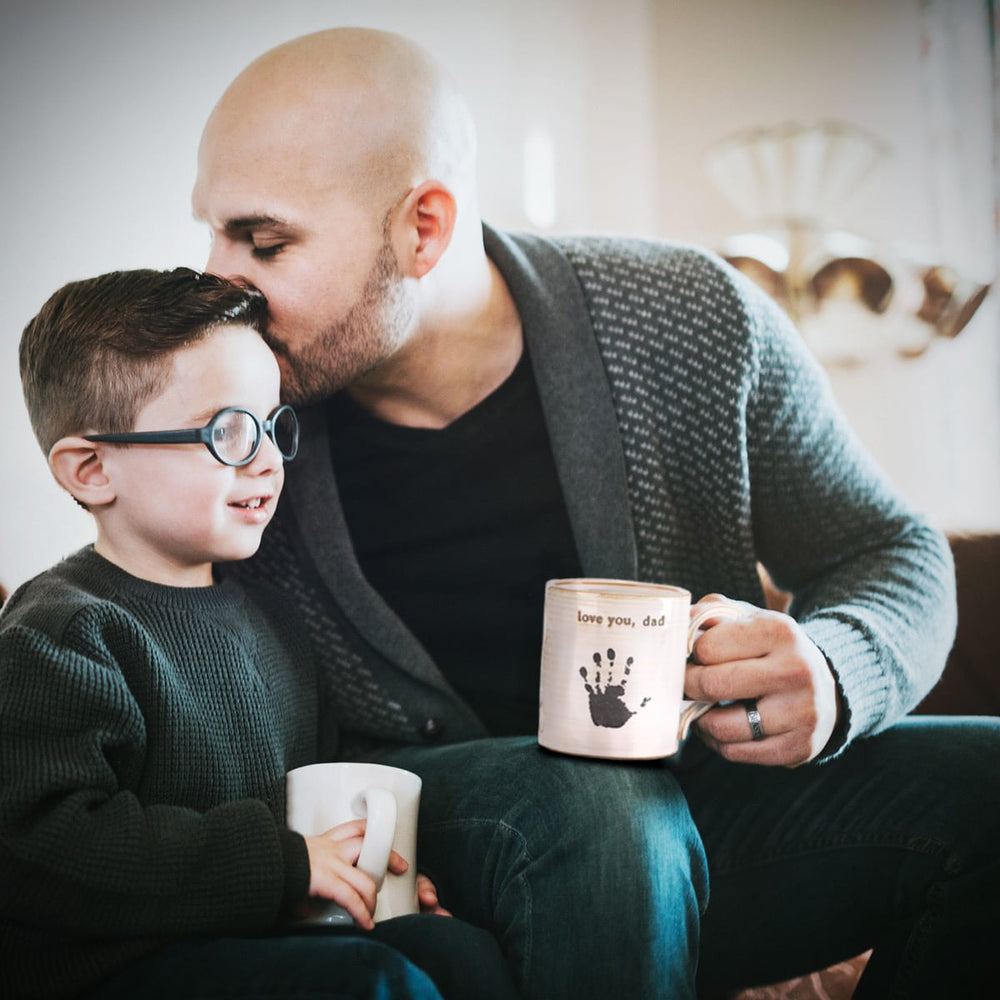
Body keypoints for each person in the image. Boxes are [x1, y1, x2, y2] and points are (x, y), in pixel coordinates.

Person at [191, 27, 1000, 1000]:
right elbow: (176, 667)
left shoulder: (689, 315)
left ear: (423, 226)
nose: (215, 278)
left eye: (261, 240)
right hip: (423, 846)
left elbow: (889, 548)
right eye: (212, 231)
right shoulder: (232, 409)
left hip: (690, 820)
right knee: (599, 799)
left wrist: (836, 667)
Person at [1, 267, 519, 1000]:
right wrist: (281, 866)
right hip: (119, 964)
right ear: (91, 469)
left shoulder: (274, 621)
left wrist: (368, 869)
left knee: (457, 953)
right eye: (229, 432)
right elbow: (39, 845)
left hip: (264, 932)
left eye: (273, 425)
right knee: (375, 983)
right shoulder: (62, 633)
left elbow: (313, 793)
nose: (270, 460)